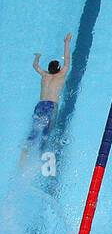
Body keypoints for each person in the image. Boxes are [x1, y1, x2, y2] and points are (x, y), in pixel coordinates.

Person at [24, 33, 72, 165]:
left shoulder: (44, 75)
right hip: (51, 106)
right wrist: (66, 42)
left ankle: (25, 155)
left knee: (34, 130)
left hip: (40, 105)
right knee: (47, 132)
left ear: (49, 69)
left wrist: (37, 57)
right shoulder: (61, 75)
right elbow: (67, 60)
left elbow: (35, 66)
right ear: (58, 69)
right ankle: (40, 157)